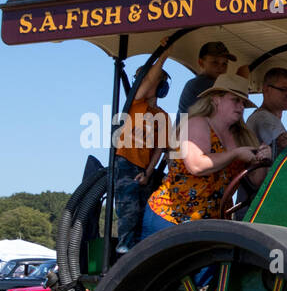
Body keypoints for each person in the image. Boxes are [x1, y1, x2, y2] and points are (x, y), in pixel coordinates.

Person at [143, 74, 267, 237]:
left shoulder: (243, 137)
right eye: (235, 100)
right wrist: (235, 154)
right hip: (170, 219)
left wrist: (263, 157)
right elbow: (197, 165)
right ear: (216, 99)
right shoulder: (195, 123)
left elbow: (256, 180)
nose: (241, 106)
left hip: (212, 225)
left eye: (243, 103)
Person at [113, 43, 174, 252]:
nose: (142, 83)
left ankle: (141, 250)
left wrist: (148, 173)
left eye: (147, 79)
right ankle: (124, 249)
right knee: (128, 211)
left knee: (144, 212)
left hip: (143, 168)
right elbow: (149, 81)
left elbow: (159, 149)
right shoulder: (135, 104)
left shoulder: (163, 117)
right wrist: (163, 54)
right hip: (125, 162)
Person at [175, 41, 249, 121]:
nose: (220, 67)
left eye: (224, 63)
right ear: (201, 63)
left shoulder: (218, 85)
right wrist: (241, 78)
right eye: (215, 62)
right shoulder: (199, 84)